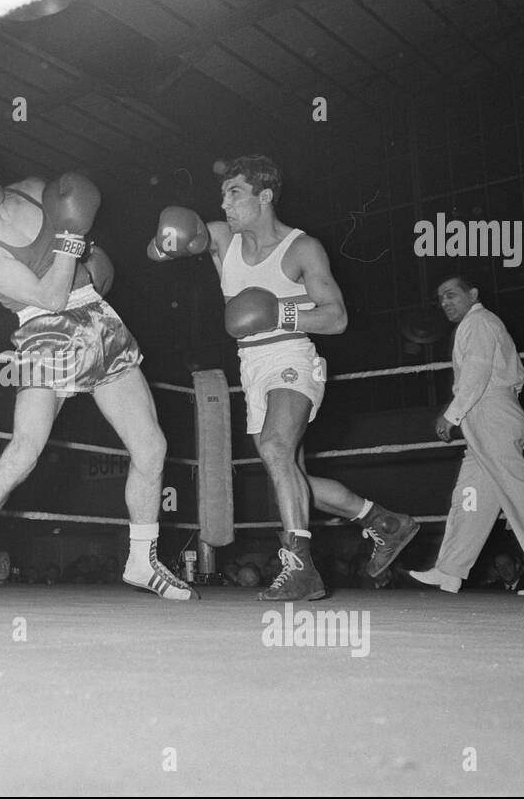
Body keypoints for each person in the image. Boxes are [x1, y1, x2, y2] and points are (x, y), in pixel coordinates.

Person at [0, 127, 195, 601]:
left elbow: (85, 254)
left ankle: (143, 560)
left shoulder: (32, 189)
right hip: (47, 331)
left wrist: (90, 251)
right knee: (24, 452)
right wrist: (70, 237)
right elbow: (50, 295)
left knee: (152, 447)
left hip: (99, 320)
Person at [148, 155, 417, 601]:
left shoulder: (302, 248)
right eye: (223, 194)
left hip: (292, 355)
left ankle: (301, 568)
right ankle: (382, 521)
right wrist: (164, 243)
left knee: (274, 447)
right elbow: (160, 250)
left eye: (234, 193)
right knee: (287, 476)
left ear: (265, 195)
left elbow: (337, 318)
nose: (225, 203)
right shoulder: (219, 238)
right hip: (250, 366)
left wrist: (280, 312)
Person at [407, 275, 524, 596]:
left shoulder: (479, 323)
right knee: (470, 495)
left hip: (490, 412)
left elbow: (476, 373)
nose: (444, 302)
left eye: (451, 294)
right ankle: (450, 570)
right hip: (487, 415)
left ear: (472, 293)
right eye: (440, 298)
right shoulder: (477, 325)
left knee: (519, 494)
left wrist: (451, 414)